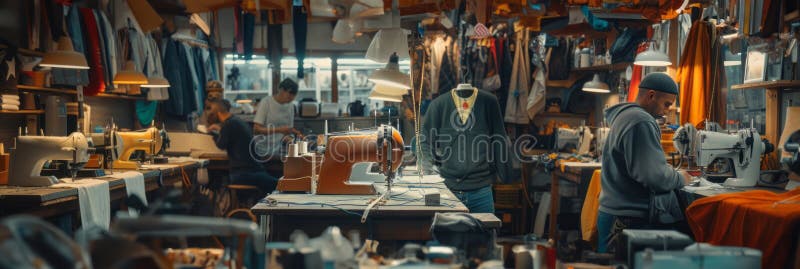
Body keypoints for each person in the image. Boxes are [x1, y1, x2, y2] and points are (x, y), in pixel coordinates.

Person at [597, 73, 693, 253]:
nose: (667, 110)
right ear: (651, 95)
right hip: (626, 219)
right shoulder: (641, 121)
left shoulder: (625, 115)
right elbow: (654, 177)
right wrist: (681, 178)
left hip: (615, 214)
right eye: (666, 104)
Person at [206, 99, 278, 193]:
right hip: (252, 170)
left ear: (218, 113)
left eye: (211, 112)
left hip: (242, 174)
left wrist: (210, 134)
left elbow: (221, 145)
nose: (210, 114)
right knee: (280, 185)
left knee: (280, 185)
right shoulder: (236, 121)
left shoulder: (228, 125)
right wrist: (219, 130)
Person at [253, 78, 303, 156]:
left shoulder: (290, 106)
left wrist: (296, 141)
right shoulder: (266, 102)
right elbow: (256, 130)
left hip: (280, 149)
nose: (292, 98)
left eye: (294, 95)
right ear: (281, 90)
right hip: (263, 150)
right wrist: (279, 130)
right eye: (289, 94)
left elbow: (286, 135)